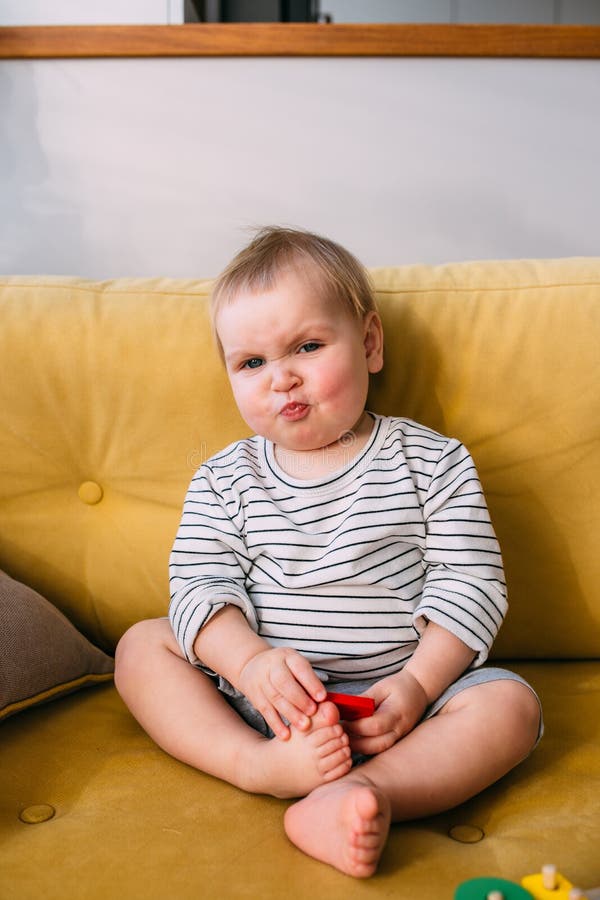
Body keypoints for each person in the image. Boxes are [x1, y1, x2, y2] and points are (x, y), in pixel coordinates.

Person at [115, 226, 542, 879]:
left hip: (400, 706)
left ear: (369, 343)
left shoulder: (432, 461)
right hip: (264, 704)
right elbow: (199, 589)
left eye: (308, 347)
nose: (281, 378)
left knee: (511, 706)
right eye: (251, 363)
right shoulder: (223, 479)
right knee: (142, 646)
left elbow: (471, 586)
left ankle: (365, 793)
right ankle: (257, 767)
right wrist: (249, 664)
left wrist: (418, 685)